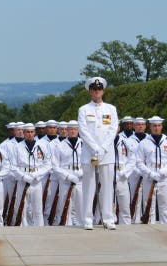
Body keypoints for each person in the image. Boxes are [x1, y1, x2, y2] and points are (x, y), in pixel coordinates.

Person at [77, 77, 118, 230]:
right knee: (88, 187)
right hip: (90, 153)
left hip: (107, 153)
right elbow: (83, 131)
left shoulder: (111, 109)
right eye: (94, 89)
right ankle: (87, 219)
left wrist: (103, 148)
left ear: (103, 91)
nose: (97, 92)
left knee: (107, 187)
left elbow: (113, 129)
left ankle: (108, 218)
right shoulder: (83, 109)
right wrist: (95, 148)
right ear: (90, 92)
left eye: (99, 89)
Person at [134, 116, 167, 224]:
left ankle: (166, 229)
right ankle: (150, 229)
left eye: (159, 126)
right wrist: (150, 173)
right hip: (149, 178)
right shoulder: (144, 143)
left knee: (165, 207)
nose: (156, 128)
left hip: (164, 178)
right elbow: (139, 162)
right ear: (150, 127)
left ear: (162, 126)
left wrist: (164, 172)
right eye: (154, 126)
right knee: (149, 207)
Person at [11, 123, 52, 226]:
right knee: (21, 206)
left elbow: (48, 164)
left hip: (36, 180)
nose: (29, 134)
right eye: (27, 132)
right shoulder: (17, 147)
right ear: (24, 133)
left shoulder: (42, 146)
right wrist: (23, 176)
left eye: (31, 132)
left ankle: (39, 227)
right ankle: (23, 227)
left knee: (37, 207)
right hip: (23, 179)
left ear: (34, 133)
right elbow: (13, 166)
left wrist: (37, 175)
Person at [50, 120, 83, 226]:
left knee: (80, 203)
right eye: (70, 129)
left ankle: (80, 224)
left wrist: (82, 173)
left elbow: (90, 162)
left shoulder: (84, 144)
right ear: (67, 130)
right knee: (64, 204)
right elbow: (55, 166)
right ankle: (66, 225)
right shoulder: (60, 145)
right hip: (65, 178)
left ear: (78, 130)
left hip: (80, 178)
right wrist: (68, 176)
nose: (72, 131)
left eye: (75, 129)